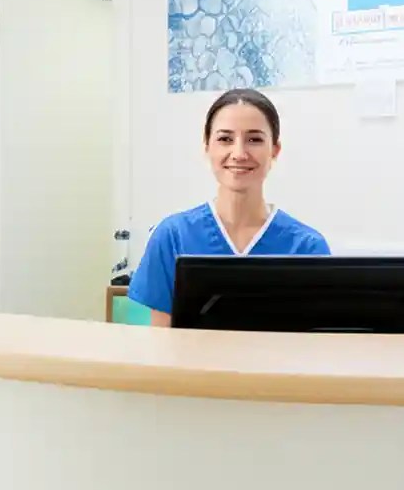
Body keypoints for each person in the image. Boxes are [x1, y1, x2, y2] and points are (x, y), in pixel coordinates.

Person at [128, 88, 329, 327]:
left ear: (275, 150)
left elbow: (316, 343)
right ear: (207, 146)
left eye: (254, 139)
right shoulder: (173, 237)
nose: (239, 153)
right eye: (225, 139)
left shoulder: (307, 248)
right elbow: (162, 340)